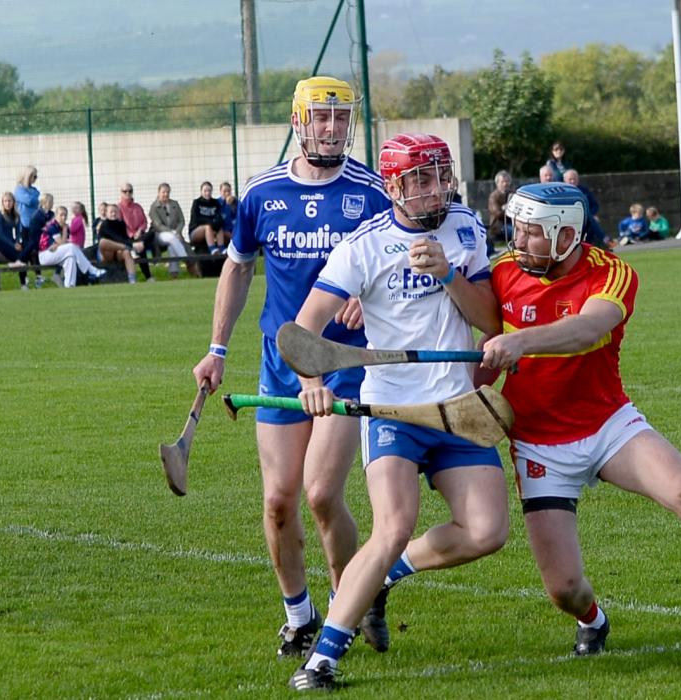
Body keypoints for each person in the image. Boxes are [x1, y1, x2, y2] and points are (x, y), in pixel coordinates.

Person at [476, 182, 681, 659]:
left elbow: (587, 328)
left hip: (608, 427)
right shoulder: (500, 273)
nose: (518, 239)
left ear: (565, 237)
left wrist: (522, 341)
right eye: (516, 228)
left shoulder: (612, 273)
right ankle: (594, 621)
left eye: (532, 231)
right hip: (538, 444)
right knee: (565, 590)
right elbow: (468, 334)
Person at [285, 133, 507, 692]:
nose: (437, 191)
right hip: (393, 410)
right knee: (392, 526)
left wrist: (449, 275)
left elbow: (490, 323)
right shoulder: (363, 247)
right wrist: (312, 383)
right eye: (422, 180)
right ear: (393, 188)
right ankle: (321, 660)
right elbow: (302, 331)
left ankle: (384, 579)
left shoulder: (466, 229)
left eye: (441, 176)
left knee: (486, 532)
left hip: (457, 409)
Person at [191, 76, 392, 663]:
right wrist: (217, 349)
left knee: (323, 492)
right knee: (279, 500)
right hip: (281, 364)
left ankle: (348, 603)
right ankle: (299, 617)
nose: (332, 129)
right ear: (298, 122)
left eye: (341, 117)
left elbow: (399, 266)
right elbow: (237, 268)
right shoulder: (261, 192)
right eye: (321, 118)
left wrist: (369, 294)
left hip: (344, 364)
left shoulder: (373, 192)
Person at [37, 205, 107, 288]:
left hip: (55, 253)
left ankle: (70, 286)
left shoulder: (62, 227)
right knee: (71, 247)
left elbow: (63, 244)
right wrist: (64, 231)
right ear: (56, 216)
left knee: (71, 257)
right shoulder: (53, 226)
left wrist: (60, 243)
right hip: (45, 255)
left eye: (65, 215)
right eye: (61, 215)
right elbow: (63, 243)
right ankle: (91, 270)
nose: (63, 217)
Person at [148, 182, 197, 278]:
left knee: (172, 245)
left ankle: (174, 274)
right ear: (158, 193)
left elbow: (181, 221)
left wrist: (177, 232)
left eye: (167, 192)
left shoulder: (175, 204)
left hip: (176, 236)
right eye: (163, 192)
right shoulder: (154, 207)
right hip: (159, 235)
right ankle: (185, 258)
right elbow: (158, 225)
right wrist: (173, 232)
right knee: (171, 238)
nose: (166, 194)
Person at [0, 192, 32, 288]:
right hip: (2, 244)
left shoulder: (16, 215)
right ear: (2, 203)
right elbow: (0, 235)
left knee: (26, 249)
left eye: (9, 201)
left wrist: (17, 242)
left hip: (12, 242)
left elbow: (18, 233)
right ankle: (23, 282)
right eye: (5, 201)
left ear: (13, 202)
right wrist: (13, 245)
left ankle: (24, 279)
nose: (7, 203)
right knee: (20, 255)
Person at [118, 183, 155, 282]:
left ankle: (137, 246)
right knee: (140, 248)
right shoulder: (118, 208)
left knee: (151, 233)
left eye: (130, 191)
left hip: (140, 235)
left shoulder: (137, 206)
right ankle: (148, 277)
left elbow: (144, 221)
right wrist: (131, 234)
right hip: (127, 237)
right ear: (121, 193)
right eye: (125, 191)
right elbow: (120, 225)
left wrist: (140, 230)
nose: (127, 193)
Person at [563, 169, 608, 247]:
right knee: (591, 219)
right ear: (565, 180)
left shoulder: (584, 191)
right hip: (570, 218)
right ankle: (605, 239)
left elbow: (595, 205)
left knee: (590, 219)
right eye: (570, 179)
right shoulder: (562, 192)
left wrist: (593, 214)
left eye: (574, 179)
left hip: (587, 217)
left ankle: (597, 243)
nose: (573, 181)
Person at [96, 204, 139, 284]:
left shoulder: (121, 224)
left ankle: (132, 278)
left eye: (115, 212)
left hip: (119, 252)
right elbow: (115, 237)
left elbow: (125, 238)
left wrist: (134, 243)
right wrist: (129, 245)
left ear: (119, 213)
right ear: (106, 213)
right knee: (103, 242)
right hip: (106, 254)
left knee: (126, 252)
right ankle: (126, 247)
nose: (113, 214)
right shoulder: (105, 224)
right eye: (111, 212)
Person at [188, 181, 227, 254]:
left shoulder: (215, 202)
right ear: (201, 191)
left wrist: (217, 223)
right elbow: (196, 219)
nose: (207, 193)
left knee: (219, 227)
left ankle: (221, 248)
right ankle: (212, 249)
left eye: (209, 190)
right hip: (196, 232)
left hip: (212, 229)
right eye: (205, 191)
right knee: (207, 227)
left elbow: (219, 217)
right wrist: (210, 222)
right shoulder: (197, 202)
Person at [486, 169, 514, 247]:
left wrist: (506, 208)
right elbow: (498, 213)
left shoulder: (512, 194)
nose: (505, 184)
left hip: (512, 223)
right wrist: (509, 209)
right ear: (497, 183)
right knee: (515, 231)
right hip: (498, 226)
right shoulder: (494, 196)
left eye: (507, 181)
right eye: (502, 182)